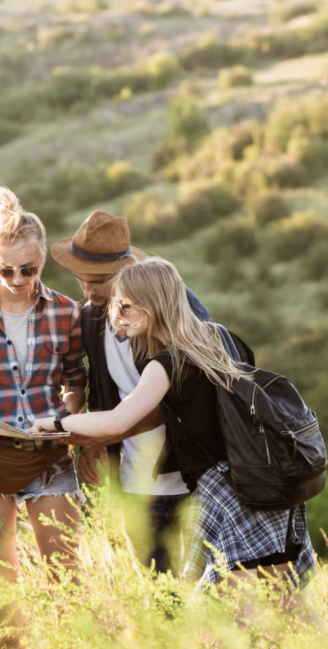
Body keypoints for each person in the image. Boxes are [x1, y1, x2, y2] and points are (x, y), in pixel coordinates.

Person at [30, 258, 314, 608]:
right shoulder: (214, 337)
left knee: (235, 617)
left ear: (151, 306)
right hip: (265, 482)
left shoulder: (166, 363)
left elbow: (116, 422)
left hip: (229, 493)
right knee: (289, 602)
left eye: (124, 306)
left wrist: (55, 423)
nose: (115, 315)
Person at [0, 187, 88, 596]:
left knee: (67, 583)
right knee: (2, 588)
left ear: (41, 260)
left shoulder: (66, 311)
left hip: (49, 459)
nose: (19, 279)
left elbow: (75, 383)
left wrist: (64, 423)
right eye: (6, 271)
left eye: (29, 269)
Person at [51, 210, 213, 574]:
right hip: (134, 480)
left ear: (126, 271)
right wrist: (94, 444)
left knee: (207, 592)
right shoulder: (90, 316)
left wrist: (99, 433)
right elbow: (98, 386)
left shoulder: (175, 306)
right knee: (157, 592)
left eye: (98, 281)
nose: (88, 292)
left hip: (193, 477)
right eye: (80, 280)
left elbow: (179, 397)